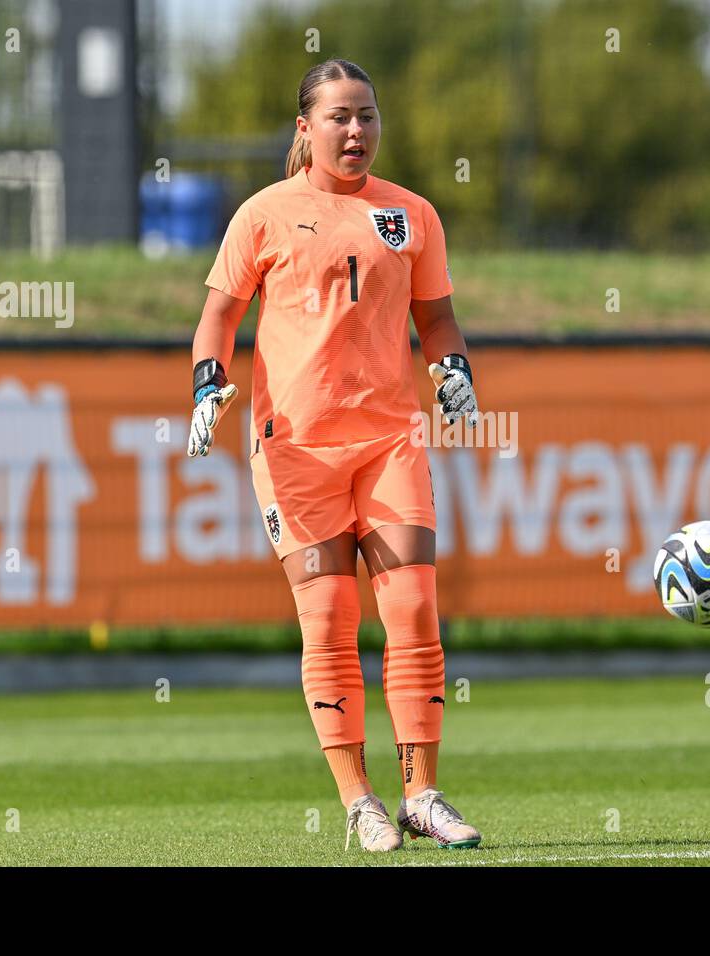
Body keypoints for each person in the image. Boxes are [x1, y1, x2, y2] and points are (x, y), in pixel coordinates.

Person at [186, 59, 483, 850]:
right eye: (340, 117)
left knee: (414, 608)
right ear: (305, 130)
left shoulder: (412, 214)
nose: (356, 131)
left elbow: (439, 318)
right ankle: (360, 801)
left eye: (368, 116)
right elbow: (218, 316)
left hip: (390, 438)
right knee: (328, 620)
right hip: (296, 451)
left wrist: (451, 369)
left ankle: (422, 793)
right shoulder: (263, 214)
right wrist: (208, 382)